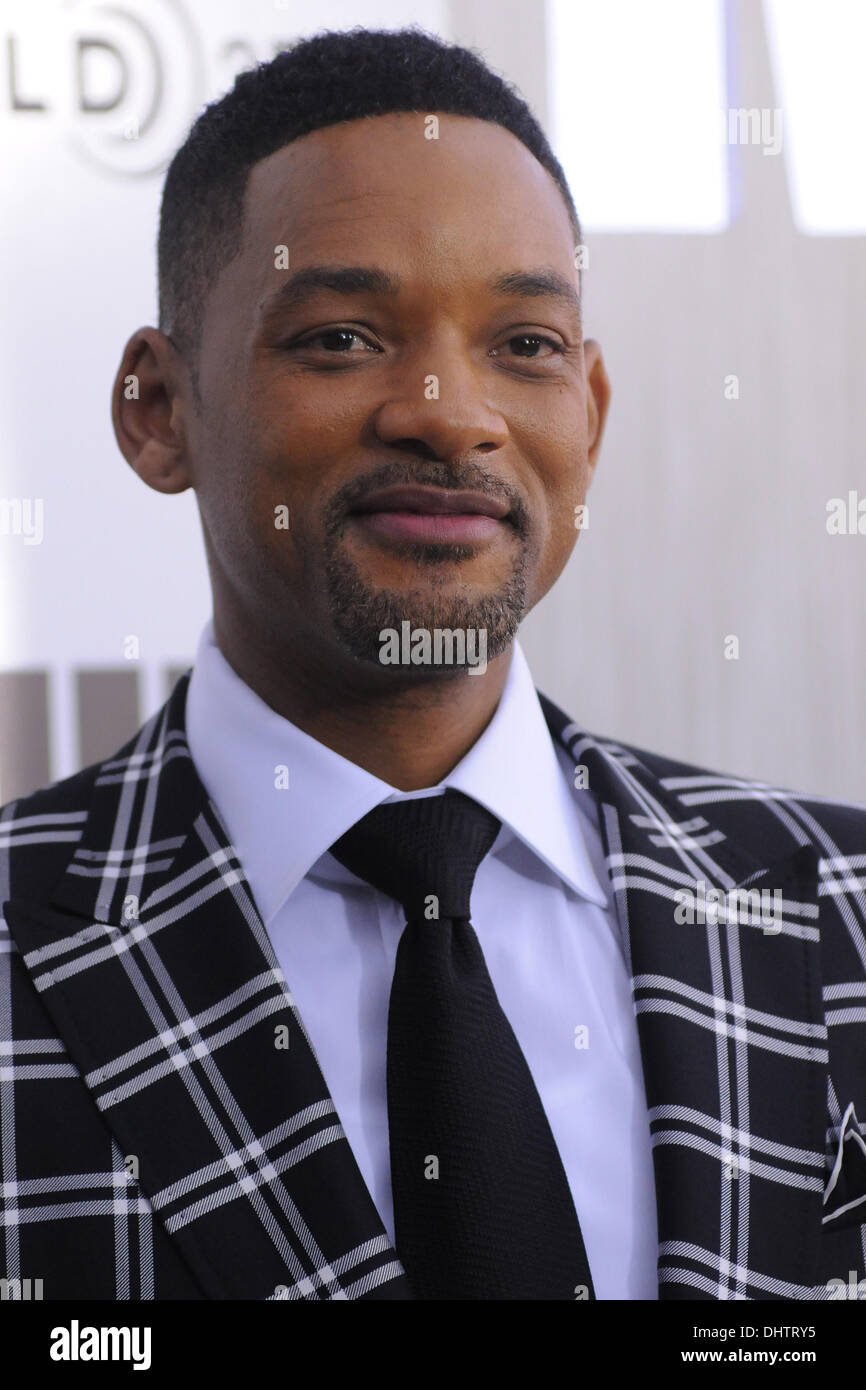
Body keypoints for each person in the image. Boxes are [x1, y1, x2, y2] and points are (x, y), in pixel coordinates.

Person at [1, 27, 864, 1303]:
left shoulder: (837, 909)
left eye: (524, 344)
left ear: (592, 409)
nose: (451, 412)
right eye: (341, 337)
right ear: (159, 410)